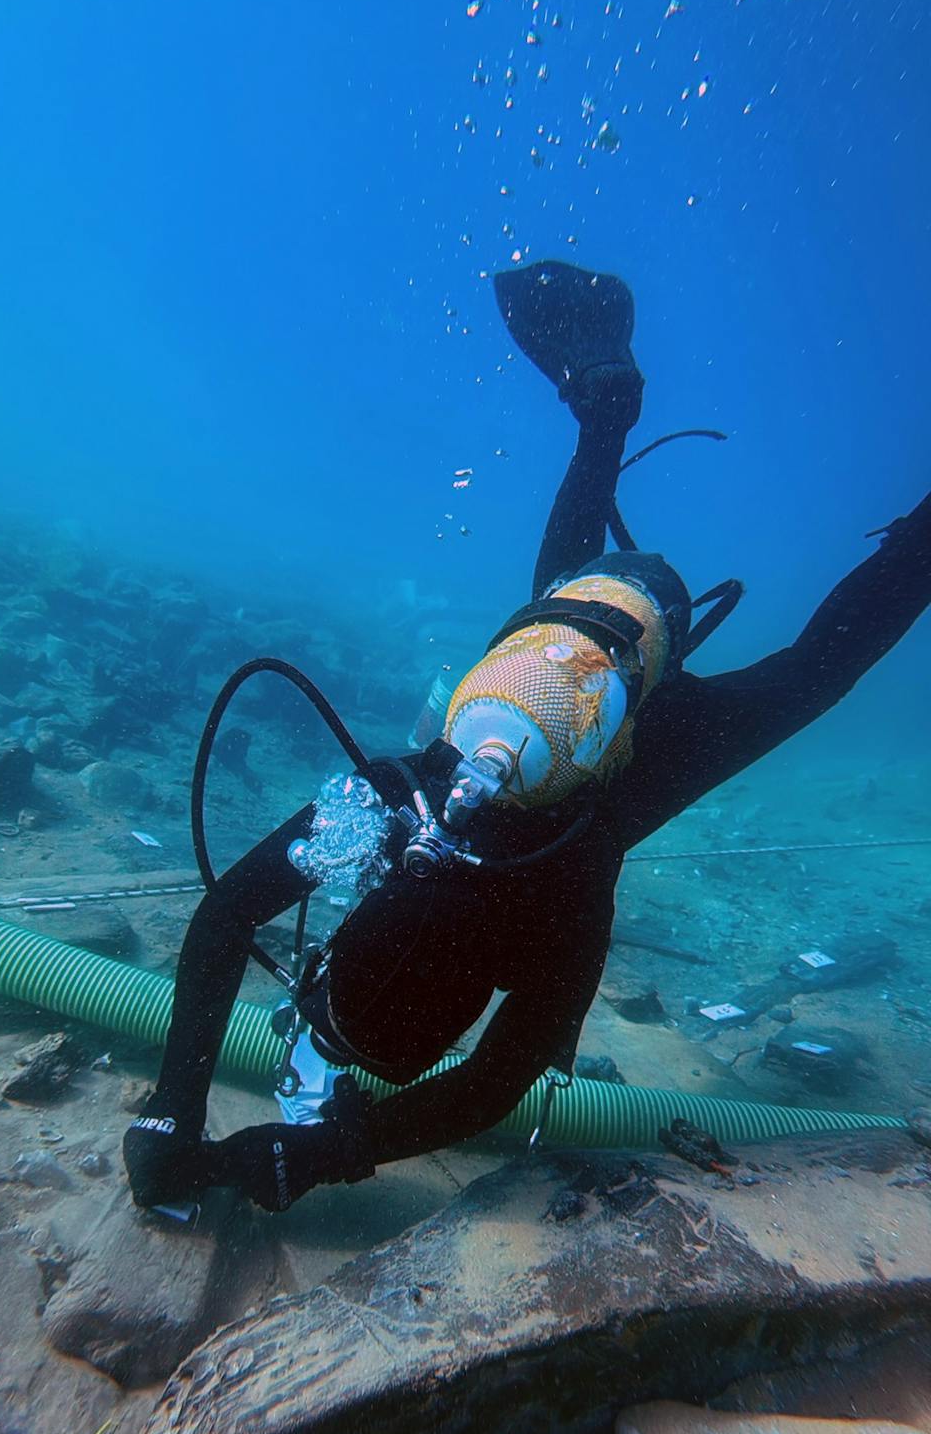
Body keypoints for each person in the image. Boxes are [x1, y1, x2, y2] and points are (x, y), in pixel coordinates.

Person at [123, 261, 931, 1216]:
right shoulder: (457, 829)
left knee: (800, 675)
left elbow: (485, 1086)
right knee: (579, 608)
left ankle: (613, 421)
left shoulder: (442, 829)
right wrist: (250, 1133)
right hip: (561, 685)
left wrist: (272, 1137)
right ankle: (607, 416)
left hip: (611, 732)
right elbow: (481, 1079)